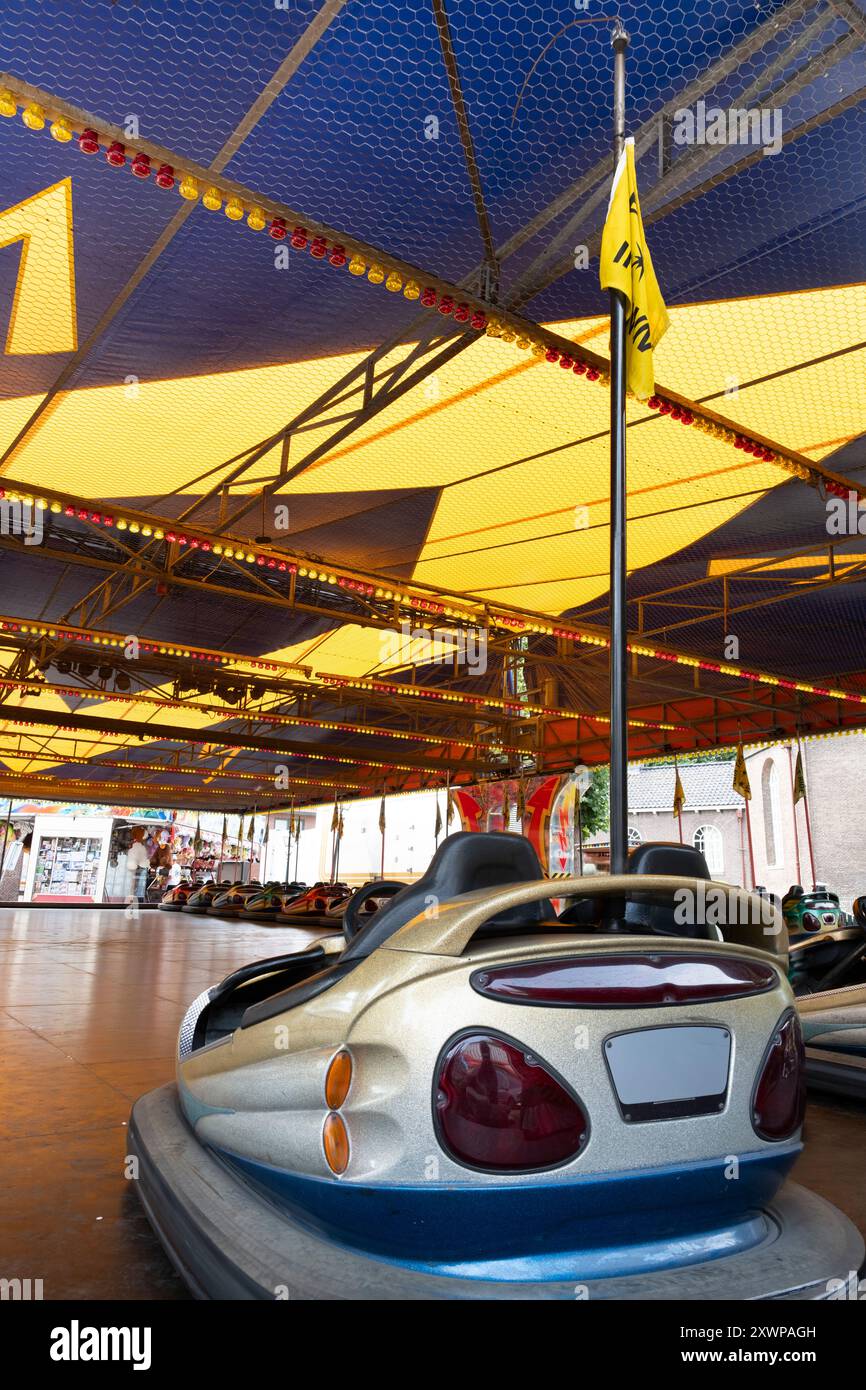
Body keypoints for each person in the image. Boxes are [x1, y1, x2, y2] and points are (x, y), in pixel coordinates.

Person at [125, 827, 150, 920]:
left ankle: (132, 901)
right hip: (136, 866)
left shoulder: (135, 845)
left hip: (134, 866)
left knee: (133, 885)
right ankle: (132, 901)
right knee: (133, 885)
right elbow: (144, 860)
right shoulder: (141, 846)